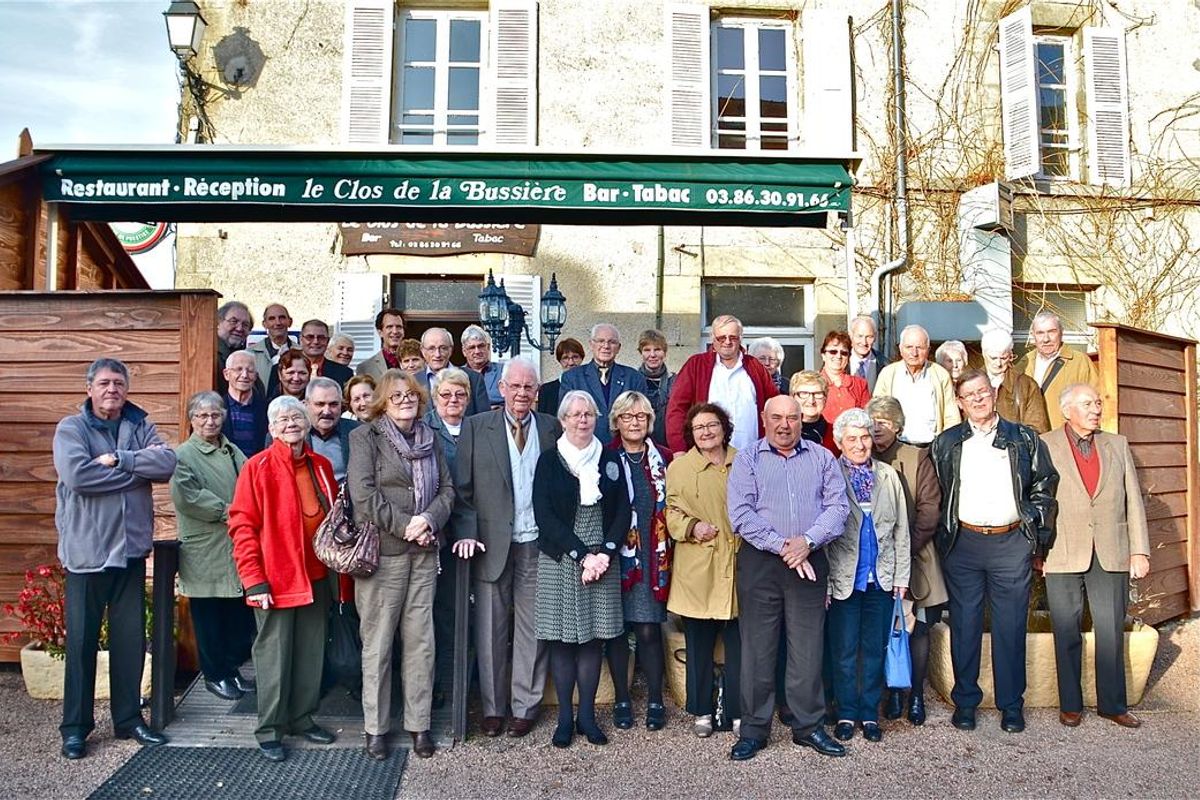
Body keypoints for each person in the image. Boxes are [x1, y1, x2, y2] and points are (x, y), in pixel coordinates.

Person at [53, 358, 177, 760]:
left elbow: (167, 463)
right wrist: (138, 472)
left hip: (129, 550)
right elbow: (79, 477)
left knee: (129, 642)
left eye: (119, 383)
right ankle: (75, 728)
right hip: (86, 553)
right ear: (89, 388)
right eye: (104, 383)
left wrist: (122, 460)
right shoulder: (71, 429)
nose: (112, 390)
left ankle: (128, 719)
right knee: (83, 642)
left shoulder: (139, 423)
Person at [930, 369, 1058, 735]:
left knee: (1010, 626)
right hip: (964, 545)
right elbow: (938, 492)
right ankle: (966, 701)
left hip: (1010, 543)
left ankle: (1011, 705)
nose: (978, 399)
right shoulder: (948, 443)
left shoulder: (1024, 438)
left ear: (993, 393)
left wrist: (1034, 534)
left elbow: (1045, 485)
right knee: (965, 626)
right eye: (970, 395)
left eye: (983, 392)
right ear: (960, 402)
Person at [726, 395, 850, 761]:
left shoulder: (823, 458)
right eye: (777, 417)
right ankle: (753, 730)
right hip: (761, 564)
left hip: (810, 561)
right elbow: (741, 514)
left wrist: (807, 542)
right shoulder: (748, 459)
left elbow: (838, 507)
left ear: (802, 421)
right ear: (764, 419)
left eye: (792, 418)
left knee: (807, 649)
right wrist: (785, 546)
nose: (785, 425)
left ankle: (808, 726)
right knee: (757, 650)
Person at [348, 369, 455, 760]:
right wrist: (407, 526)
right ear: (382, 402)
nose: (405, 400)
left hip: (425, 553)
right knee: (377, 645)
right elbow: (363, 495)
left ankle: (419, 725)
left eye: (411, 394)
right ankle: (376, 729)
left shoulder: (431, 437)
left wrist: (428, 521)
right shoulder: (365, 437)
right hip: (384, 555)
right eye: (396, 396)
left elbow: (446, 489)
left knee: (421, 644)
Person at [451, 358, 561, 738]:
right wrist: (466, 532)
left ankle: (525, 706)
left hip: (536, 541)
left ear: (537, 391)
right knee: (491, 628)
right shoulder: (476, 428)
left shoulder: (550, 427)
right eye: (515, 387)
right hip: (490, 543)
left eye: (529, 387)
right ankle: (494, 708)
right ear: (501, 389)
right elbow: (462, 492)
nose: (522, 394)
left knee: (532, 627)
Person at [229, 396, 339, 762]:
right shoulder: (257, 468)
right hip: (276, 579)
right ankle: (270, 729)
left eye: (296, 416)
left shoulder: (321, 465)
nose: (291, 423)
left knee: (310, 652)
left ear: (307, 422)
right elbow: (242, 526)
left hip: (318, 575)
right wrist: (253, 580)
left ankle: (303, 718)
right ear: (271, 428)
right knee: (273, 655)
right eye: (282, 419)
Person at [1042, 384, 1150, 729]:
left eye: (1097, 403)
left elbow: (1134, 499)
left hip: (1111, 550)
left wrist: (1140, 550)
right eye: (1088, 403)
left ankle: (1113, 704)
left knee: (1110, 630)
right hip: (1062, 550)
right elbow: (1038, 502)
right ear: (1067, 410)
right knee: (1066, 630)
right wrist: (1037, 550)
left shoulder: (1116, 444)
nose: (1096, 408)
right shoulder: (1045, 445)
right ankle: (1070, 704)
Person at [532, 390, 630, 748]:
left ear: (596, 418)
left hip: (602, 558)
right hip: (560, 557)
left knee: (591, 639)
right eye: (574, 415)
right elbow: (544, 516)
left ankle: (587, 716)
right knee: (562, 641)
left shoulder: (610, 458)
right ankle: (563, 719)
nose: (582, 420)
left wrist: (604, 553)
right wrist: (581, 555)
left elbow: (622, 509)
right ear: (562, 420)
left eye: (588, 414)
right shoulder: (548, 460)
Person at [825, 408, 910, 744]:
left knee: (874, 649)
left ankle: (869, 714)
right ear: (840, 442)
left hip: (882, 577)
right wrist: (826, 584)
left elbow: (902, 529)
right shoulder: (829, 474)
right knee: (844, 651)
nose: (860, 445)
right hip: (844, 579)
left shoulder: (888, 476)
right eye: (852, 439)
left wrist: (902, 576)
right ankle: (846, 713)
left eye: (864, 437)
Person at [170, 391, 255, 702]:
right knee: (208, 615)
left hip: (234, 545)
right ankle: (214, 675)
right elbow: (188, 497)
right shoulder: (182, 456)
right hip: (205, 547)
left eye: (215, 415)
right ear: (192, 420)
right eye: (202, 416)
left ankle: (231, 670)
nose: (210, 420)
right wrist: (234, 512)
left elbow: (252, 482)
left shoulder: (232, 450)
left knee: (232, 614)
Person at [866, 396, 945, 726]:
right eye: (872, 421)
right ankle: (892, 693)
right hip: (872, 562)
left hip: (916, 556)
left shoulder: (916, 457)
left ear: (898, 426)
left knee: (918, 630)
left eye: (883, 422)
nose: (876, 428)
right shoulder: (861, 456)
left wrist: (902, 549)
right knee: (881, 628)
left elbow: (929, 510)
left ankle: (914, 697)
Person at [665, 403, 741, 739]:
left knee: (741, 645)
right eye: (699, 428)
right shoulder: (680, 468)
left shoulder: (745, 461)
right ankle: (702, 710)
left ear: (724, 428)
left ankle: (739, 711)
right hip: (699, 567)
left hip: (738, 566)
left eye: (712, 425)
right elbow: (670, 512)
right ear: (691, 435)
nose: (707, 432)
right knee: (698, 645)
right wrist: (692, 527)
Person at [604, 391, 673, 731]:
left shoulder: (666, 458)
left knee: (648, 629)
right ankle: (621, 698)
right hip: (615, 557)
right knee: (616, 631)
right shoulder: (603, 457)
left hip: (652, 556)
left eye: (641, 417)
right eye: (628, 417)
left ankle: (656, 699)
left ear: (649, 421)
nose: (634, 422)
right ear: (616, 421)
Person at [424, 367, 472, 708]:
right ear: (434, 397)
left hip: (470, 531)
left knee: (466, 611)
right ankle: (438, 682)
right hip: (435, 532)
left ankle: (467, 680)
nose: (453, 401)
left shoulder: (478, 427)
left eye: (460, 395)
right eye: (446, 395)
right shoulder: (424, 428)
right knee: (437, 612)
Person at [665, 315, 778, 453]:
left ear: (740, 338)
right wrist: (679, 449)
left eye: (733, 337)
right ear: (713, 338)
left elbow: (774, 406)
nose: (727, 342)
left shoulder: (755, 367)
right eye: (721, 338)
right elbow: (677, 408)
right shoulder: (696, 365)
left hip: (753, 454)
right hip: (706, 457)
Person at [559, 323, 648, 443]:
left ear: (619, 347)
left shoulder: (634, 378)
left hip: (622, 449)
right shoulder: (572, 378)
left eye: (612, 342)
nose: (606, 346)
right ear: (591, 344)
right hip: (585, 447)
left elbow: (643, 417)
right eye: (600, 341)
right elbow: (565, 417)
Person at [873, 324, 960, 446]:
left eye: (919, 347)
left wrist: (946, 445)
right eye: (909, 347)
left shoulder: (940, 375)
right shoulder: (888, 374)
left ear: (928, 350)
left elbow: (951, 417)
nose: (914, 353)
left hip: (931, 447)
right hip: (896, 447)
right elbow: (877, 413)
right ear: (901, 349)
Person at [1014, 310, 1099, 430]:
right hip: (1032, 440)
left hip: (1066, 439)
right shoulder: (1025, 362)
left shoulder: (1080, 362)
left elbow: (1096, 403)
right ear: (1033, 335)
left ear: (1061, 333)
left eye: (1051, 332)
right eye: (1040, 333)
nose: (1046, 339)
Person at [981, 328, 1050, 434]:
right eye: (993, 358)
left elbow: (1038, 427)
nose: (998, 363)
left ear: (1010, 355)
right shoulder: (970, 383)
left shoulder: (1027, 385)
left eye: (1003, 358)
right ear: (984, 354)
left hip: (1014, 448)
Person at [417, 327, 490, 416]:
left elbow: (484, 419)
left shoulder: (474, 379)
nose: (437, 354)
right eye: (431, 348)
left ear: (450, 350)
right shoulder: (414, 381)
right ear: (423, 350)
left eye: (443, 348)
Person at [304, 377, 359, 484]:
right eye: (320, 404)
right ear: (306, 405)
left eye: (333, 404)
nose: (327, 411)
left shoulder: (358, 431)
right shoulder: (292, 434)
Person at [221, 350, 269, 457]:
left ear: (256, 376)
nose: (244, 375)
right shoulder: (217, 408)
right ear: (226, 374)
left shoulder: (266, 409)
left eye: (250, 371)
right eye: (238, 369)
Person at [818, 331, 870, 423]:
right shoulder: (812, 383)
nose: (838, 356)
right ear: (823, 355)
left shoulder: (860, 385)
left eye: (844, 353)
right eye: (833, 352)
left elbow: (866, 418)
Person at [637, 329, 676, 446]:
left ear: (664, 352)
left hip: (668, 444)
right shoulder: (633, 380)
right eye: (647, 350)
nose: (652, 355)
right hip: (639, 444)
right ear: (641, 353)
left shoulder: (675, 381)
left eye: (657, 350)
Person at [248, 303, 296, 393]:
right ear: (264, 324)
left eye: (282, 317)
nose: (277, 323)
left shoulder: (301, 353)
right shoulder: (249, 354)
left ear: (290, 322)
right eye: (272, 319)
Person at [790, 370, 838, 455]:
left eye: (817, 394)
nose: (811, 400)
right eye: (804, 393)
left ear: (825, 398)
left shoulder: (837, 434)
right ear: (792, 397)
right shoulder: (783, 432)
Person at [297, 319, 353, 388]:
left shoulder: (344, 373)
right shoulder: (286, 369)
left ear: (327, 341)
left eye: (321, 338)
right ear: (301, 339)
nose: (316, 341)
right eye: (310, 337)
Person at [538, 337, 585, 416]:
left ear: (582, 358)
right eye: (565, 358)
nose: (571, 362)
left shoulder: (589, 386)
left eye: (575, 357)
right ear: (559, 361)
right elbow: (542, 420)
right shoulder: (546, 390)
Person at [356, 308, 408, 380]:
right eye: (389, 327)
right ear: (380, 332)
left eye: (399, 327)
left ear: (403, 332)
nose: (395, 331)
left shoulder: (417, 364)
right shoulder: (365, 368)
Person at [462, 325, 504, 408]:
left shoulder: (503, 371)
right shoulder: (457, 374)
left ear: (488, 347)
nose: (477, 351)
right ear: (464, 351)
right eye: (472, 347)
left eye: (481, 346)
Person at [216, 301, 253, 393]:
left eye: (245, 325)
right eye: (233, 321)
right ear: (218, 322)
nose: (239, 328)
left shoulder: (246, 356)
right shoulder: (209, 354)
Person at [848, 315, 884, 392]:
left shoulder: (884, 364)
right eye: (859, 336)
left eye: (869, 337)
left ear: (875, 337)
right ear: (851, 336)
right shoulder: (840, 362)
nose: (864, 342)